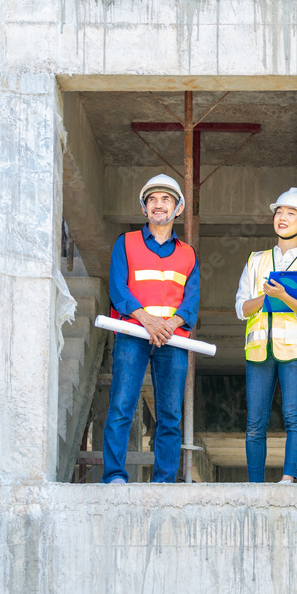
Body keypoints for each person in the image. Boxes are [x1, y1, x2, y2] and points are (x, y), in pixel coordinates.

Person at [102, 174, 200, 484]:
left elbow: (192, 300)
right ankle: (115, 476)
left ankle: (164, 482)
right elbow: (118, 289)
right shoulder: (126, 243)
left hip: (172, 339)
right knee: (121, 406)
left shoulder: (188, 254)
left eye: (166, 199)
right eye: (152, 200)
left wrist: (168, 325)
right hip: (133, 334)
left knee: (170, 416)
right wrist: (147, 320)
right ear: (145, 209)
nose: (159, 205)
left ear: (178, 208)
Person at [235, 188, 297, 484]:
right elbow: (241, 308)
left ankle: (288, 480)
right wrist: (265, 297)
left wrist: (284, 296)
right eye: (279, 212)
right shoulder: (256, 260)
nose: (282, 217)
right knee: (254, 423)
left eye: (291, 213)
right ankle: (255, 484)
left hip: (296, 351)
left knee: (294, 418)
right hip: (259, 349)